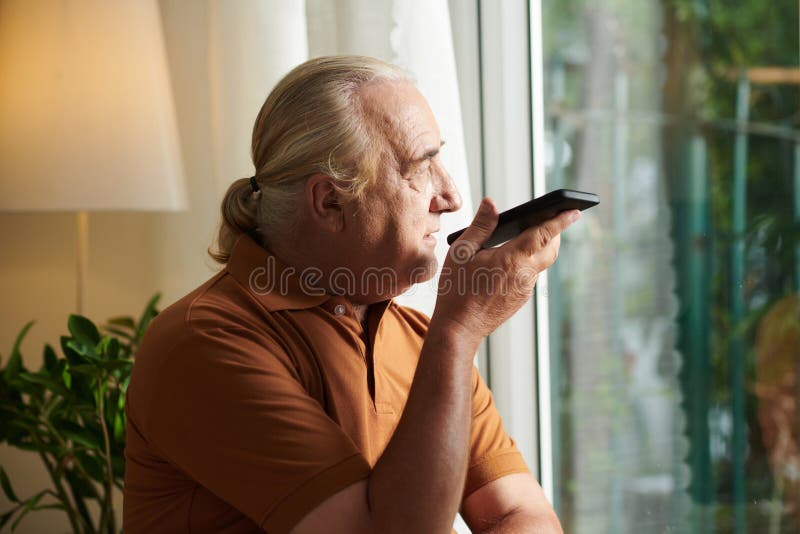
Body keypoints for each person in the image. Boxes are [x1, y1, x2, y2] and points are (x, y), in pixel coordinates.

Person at [123, 55, 577, 533]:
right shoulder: (206, 342)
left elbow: (520, 513)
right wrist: (460, 331)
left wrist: (450, 337)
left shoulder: (419, 339)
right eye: (422, 167)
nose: (451, 196)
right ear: (330, 200)